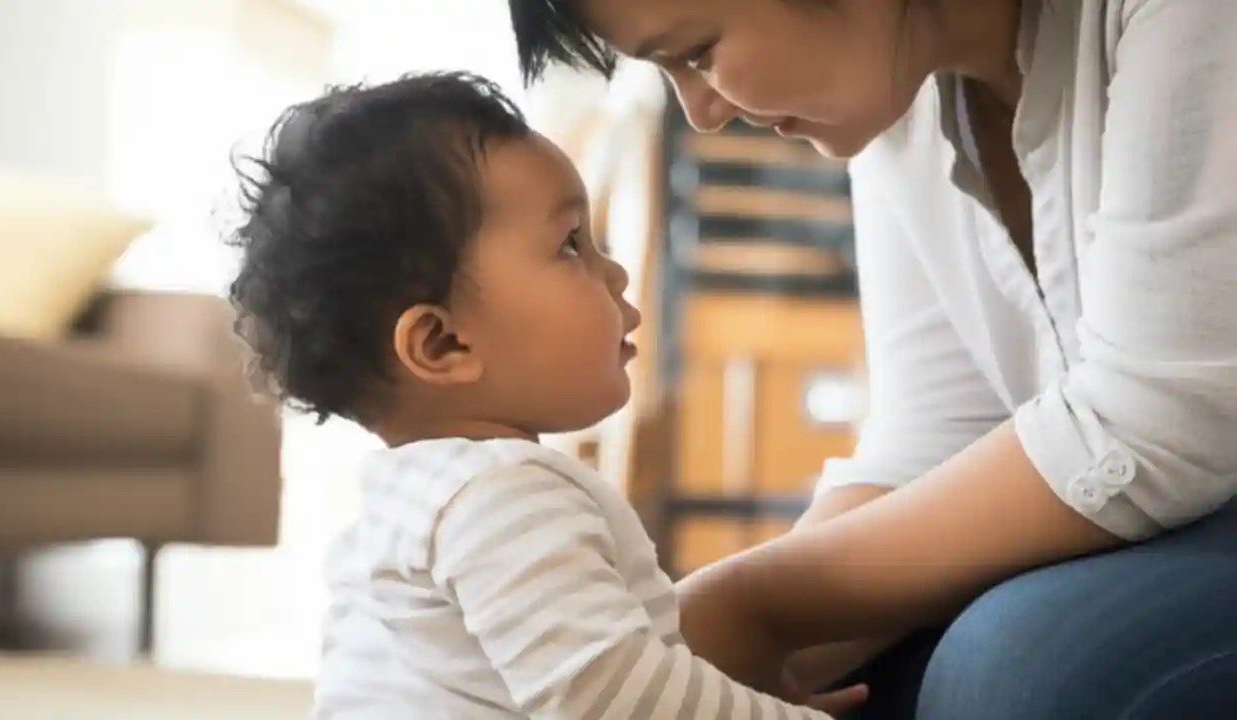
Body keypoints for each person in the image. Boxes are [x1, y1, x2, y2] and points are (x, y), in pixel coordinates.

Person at [509, 0, 1237, 717]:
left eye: (697, 52)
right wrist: (674, 658)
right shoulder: (903, 95)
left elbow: (1160, 421)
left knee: (1019, 665)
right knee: (852, 690)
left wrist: (760, 602)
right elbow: (933, 442)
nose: (701, 111)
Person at [227, 71, 861, 719]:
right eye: (571, 245)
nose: (613, 271)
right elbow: (617, 698)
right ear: (443, 344)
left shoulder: (399, 505)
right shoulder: (505, 495)